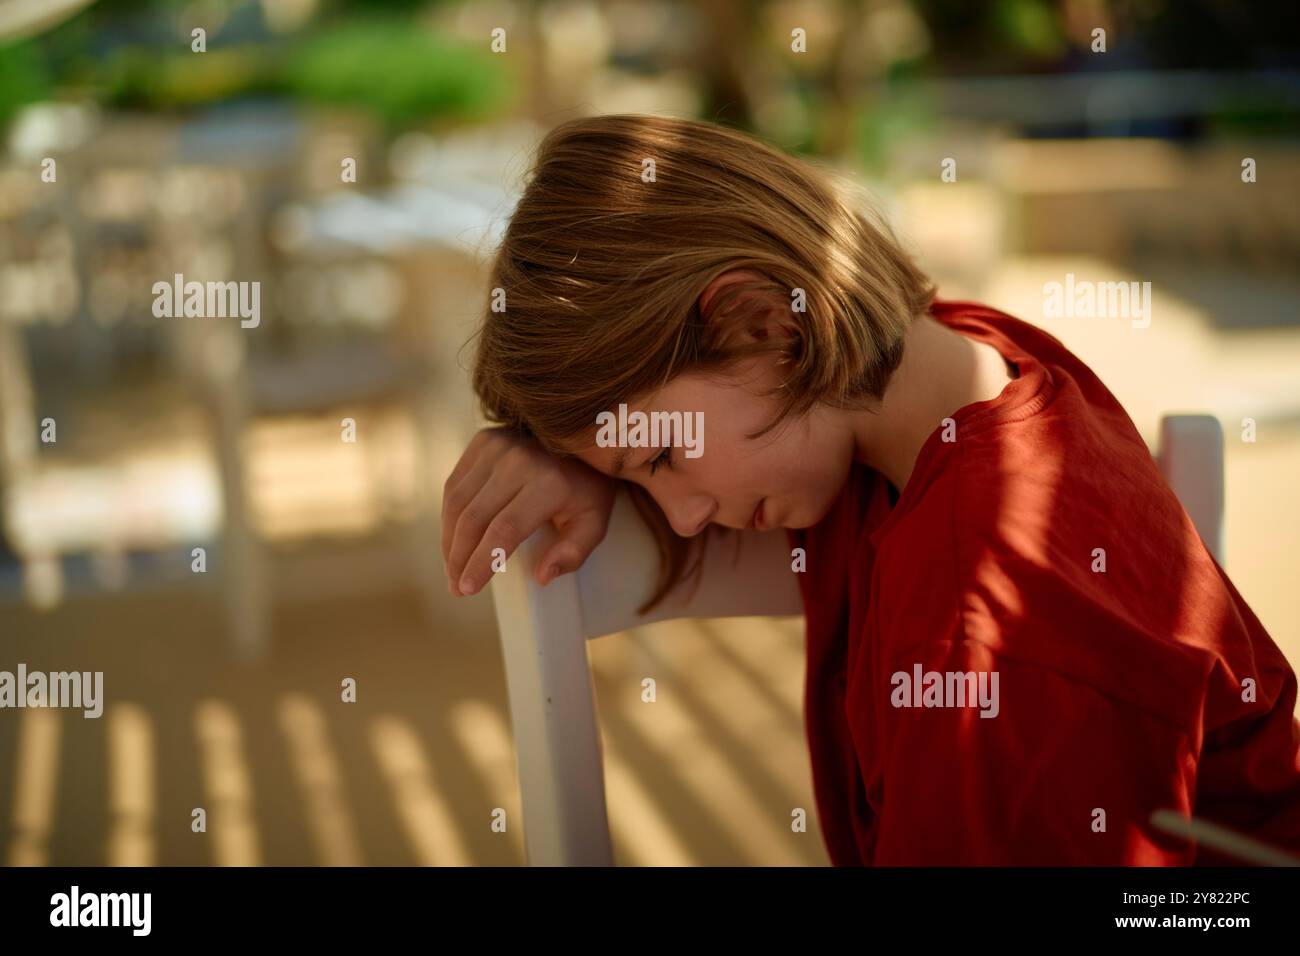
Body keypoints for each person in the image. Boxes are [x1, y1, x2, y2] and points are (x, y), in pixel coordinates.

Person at [441, 113, 1300, 865]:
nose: (687, 514)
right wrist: (588, 466)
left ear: (765, 324)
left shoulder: (984, 627)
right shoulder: (958, 367)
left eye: (662, 461)